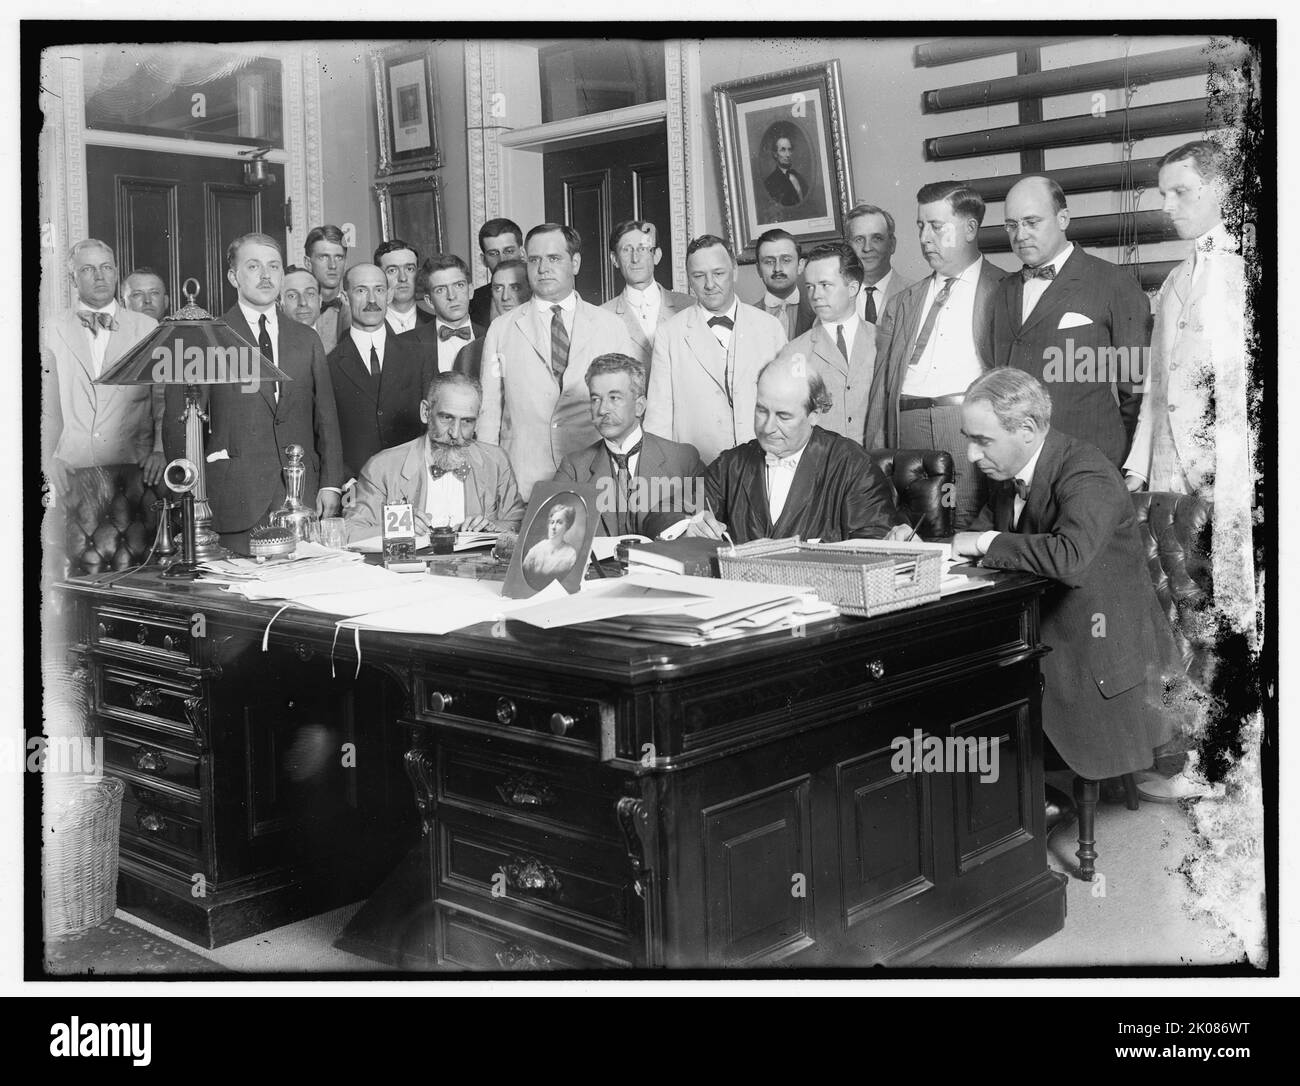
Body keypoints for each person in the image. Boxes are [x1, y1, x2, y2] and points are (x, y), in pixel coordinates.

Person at [952, 368, 1178, 783]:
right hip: (1045, 633)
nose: (970, 454)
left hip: (1097, 653)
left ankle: (1016, 808)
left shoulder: (1086, 470)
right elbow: (973, 541)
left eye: (982, 440)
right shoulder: (1007, 472)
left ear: (1027, 429)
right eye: (969, 438)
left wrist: (984, 542)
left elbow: (1069, 557)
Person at [1121, 139, 1257, 801]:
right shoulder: (1178, 279)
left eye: (1182, 192)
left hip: (1229, 487)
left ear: (1221, 189)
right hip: (1173, 482)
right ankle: (1203, 759)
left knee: (1233, 620)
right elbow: (1154, 390)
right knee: (1186, 620)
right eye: (1163, 192)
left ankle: (1233, 766)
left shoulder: (1254, 271)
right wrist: (1139, 471)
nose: (1166, 205)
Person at [163, 232, 344, 553]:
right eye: (253, 266)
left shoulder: (306, 339)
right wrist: (188, 498)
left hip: (301, 497)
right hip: (234, 497)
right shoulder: (204, 339)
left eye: (274, 266)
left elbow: (325, 418)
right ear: (233, 276)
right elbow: (179, 428)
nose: (266, 275)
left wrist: (330, 484)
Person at [867, 181, 1005, 528]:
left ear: (970, 228)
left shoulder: (1005, 292)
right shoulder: (902, 302)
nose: (925, 238)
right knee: (915, 531)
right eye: (920, 226)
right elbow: (880, 391)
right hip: (908, 432)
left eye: (936, 227)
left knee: (962, 522)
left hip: (963, 430)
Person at [987, 175, 1150, 468]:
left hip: (1090, 462)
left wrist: (1126, 465)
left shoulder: (1114, 283)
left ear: (1063, 219)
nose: (1020, 234)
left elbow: (1136, 390)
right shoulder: (1003, 291)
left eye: (1032, 222)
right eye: (1012, 225)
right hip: (1017, 465)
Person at [478, 223, 634, 499]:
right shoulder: (502, 329)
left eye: (554, 258)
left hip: (596, 478)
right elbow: (489, 411)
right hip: (522, 481)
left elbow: (628, 407)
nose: (543, 268)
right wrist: (489, 480)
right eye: (534, 260)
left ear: (574, 263)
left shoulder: (611, 326)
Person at [686, 355, 907, 545]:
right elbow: (671, 508)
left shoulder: (853, 465)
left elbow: (875, 540)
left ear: (814, 415)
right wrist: (688, 524)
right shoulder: (731, 463)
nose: (767, 427)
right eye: (762, 411)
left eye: (783, 416)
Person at [645, 234, 787, 464]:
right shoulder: (669, 335)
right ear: (689, 279)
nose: (709, 284)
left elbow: (787, 405)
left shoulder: (770, 328)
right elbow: (658, 419)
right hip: (698, 471)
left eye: (718, 273)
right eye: (699, 276)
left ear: (735, 271)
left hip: (764, 464)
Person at [42, 238, 163, 493]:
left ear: (116, 273)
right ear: (73, 280)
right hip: (69, 470)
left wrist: (160, 450)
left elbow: (162, 400)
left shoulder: (147, 329)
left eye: (106, 267)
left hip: (133, 469)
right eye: (87, 269)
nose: (99, 276)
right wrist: (46, 458)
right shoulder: (51, 330)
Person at [345, 371, 525, 542]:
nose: (455, 433)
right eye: (447, 418)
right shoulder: (381, 466)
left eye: (467, 421)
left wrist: (491, 528)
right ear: (425, 412)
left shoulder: (496, 461)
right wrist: (399, 527)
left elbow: (521, 523)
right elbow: (349, 532)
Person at [553, 353, 704, 538]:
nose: (602, 410)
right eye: (595, 399)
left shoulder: (683, 460)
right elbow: (555, 539)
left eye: (614, 398)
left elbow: (706, 531)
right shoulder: (573, 468)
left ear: (639, 406)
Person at [327, 263, 431, 483]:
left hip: (413, 481)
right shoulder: (329, 364)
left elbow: (432, 421)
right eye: (361, 291)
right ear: (345, 297)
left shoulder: (419, 354)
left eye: (379, 290)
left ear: (389, 295)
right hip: (356, 487)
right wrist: (345, 481)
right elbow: (328, 436)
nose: (372, 300)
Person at [771, 241, 874, 442]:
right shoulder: (793, 353)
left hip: (880, 465)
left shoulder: (883, 341)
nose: (815, 295)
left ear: (852, 288)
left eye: (825, 285)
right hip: (823, 467)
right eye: (810, 287)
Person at [601, 219, 692, 368]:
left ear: (656, 255)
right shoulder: (602, 317)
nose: (635, 258)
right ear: (614, 259)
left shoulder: (688, 307)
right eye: (626, 250)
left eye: (643, 249)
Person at [400, 254, 484, 376]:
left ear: (470, 291)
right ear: (429, 301)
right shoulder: (405, 344)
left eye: (459, 285)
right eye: (440, 290)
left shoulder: (491, 337)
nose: (451, 296)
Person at [455, 258, 530, 382]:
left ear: (531, 290)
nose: (505, 297)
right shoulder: (470, 353)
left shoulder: (547, 340)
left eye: (515, 288)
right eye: (498, 288)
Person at [844, 204, 913, 325]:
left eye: (877, 238)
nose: (867, 248)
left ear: (892, 244)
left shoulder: (915, 294)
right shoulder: (835, 299)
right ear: (847, 247)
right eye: (859, 239)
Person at [752, 228, 815, 339]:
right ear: (758, 270)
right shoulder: (746, 317)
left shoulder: (818, 311)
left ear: (800, 266)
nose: (778, 269)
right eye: (769, 262)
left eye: (786, 260)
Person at [468, 217, 523, 328]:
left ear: (522, 252)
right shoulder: (473, 302)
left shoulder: (540, 293)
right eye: (493, 253)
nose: (502, 259)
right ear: (484, 260)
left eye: (509, 251)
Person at [306, 224, 350, 353]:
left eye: (338, 257)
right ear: (308, 263)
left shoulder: (355, 309)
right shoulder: (292, 309)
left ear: (345, 262)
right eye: (324, 257)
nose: (332, 265)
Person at [375, 239, 432, 335]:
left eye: (410, 269)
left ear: (418, 273)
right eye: (392, 270)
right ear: (378, 276)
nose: (403, 278)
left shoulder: (435, 325)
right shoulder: (364, 328)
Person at [522, 502, 580, 584]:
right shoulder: (537, 549)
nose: (553, 527)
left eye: (559, 522)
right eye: (552, 522)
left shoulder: (570, 554)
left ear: (567, 526)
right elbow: (523, 574)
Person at [764, 135, 806, 207]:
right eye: (783, 150)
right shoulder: (770, 182)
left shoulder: (798, 176)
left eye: (789, 150)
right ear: (775, 154)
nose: (788, 154)